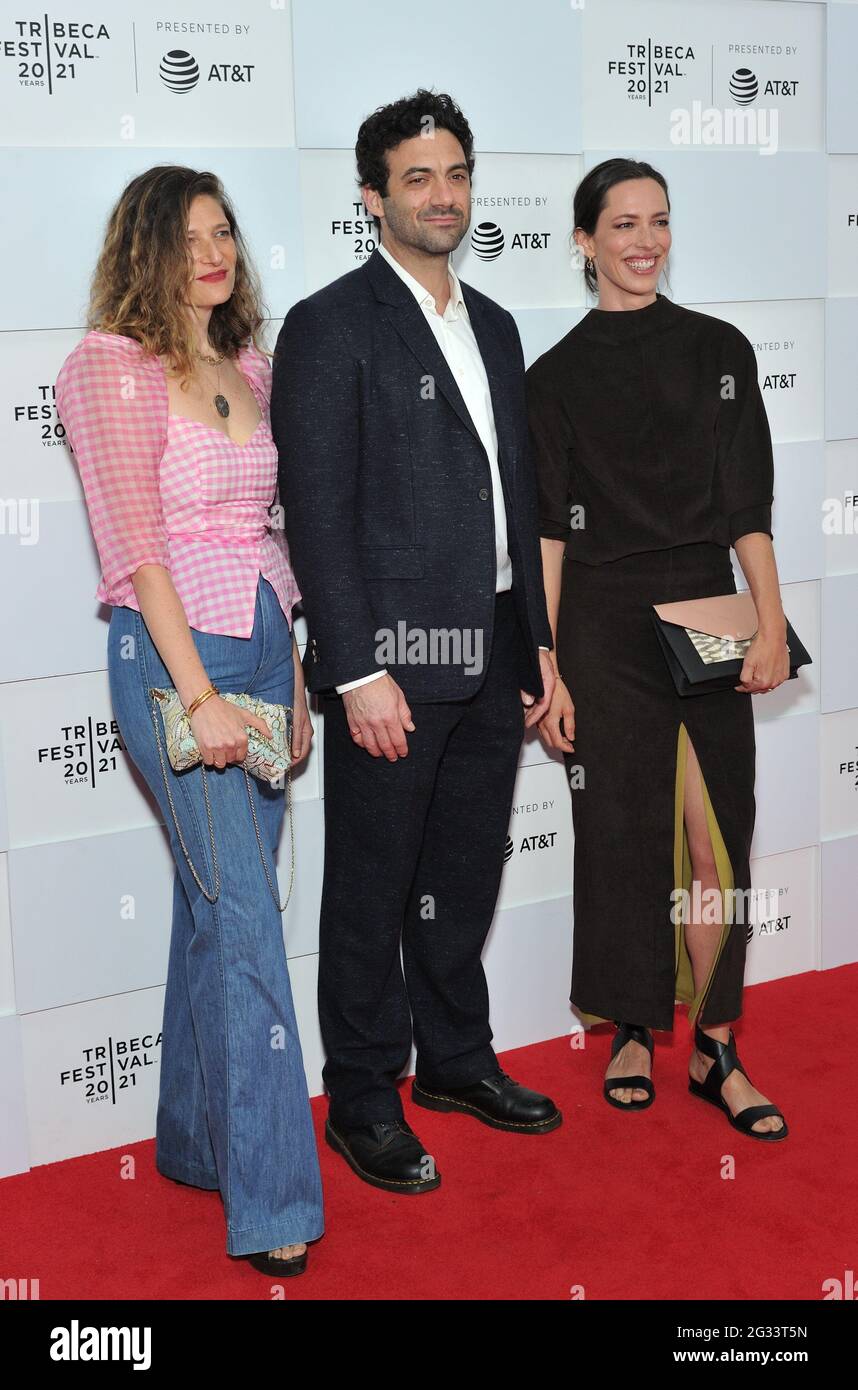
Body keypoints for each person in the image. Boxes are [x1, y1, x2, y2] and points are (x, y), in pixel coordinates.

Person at [271, 90, 562, 1195]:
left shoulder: (493, 322)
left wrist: (538, 643)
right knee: (373, 882)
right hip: (391, 651)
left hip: (493, 640)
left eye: (456, 175)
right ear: (372, 196)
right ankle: (359, 1098)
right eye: (418, 180)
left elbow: (518, 491)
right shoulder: (333, 323)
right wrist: (353, 665)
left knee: (460, 873)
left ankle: (452, 1060)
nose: (444, 197)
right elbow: (319, 508)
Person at [55, 165, 325, 1272]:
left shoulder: (249, 362)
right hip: (176, 657)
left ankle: (192, 1140)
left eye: (224, 234)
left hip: (262, 641)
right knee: (252, 925)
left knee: (216, 912)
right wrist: (201, 697)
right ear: (144, 253)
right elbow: (137, 549)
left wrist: (297, 672)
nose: (212, 254)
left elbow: (275, 532)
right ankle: (272, 1207)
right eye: (187, 238)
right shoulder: (109, 369)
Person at [526, 158, 789, 1140]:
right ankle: (632, 1023)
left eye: (660, 221)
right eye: (623, 223)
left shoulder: (720, 350)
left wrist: (764, 621)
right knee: (621, 833)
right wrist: (545, 662)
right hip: (599, 615)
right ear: (585, 240)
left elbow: (747, 508)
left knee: (715, 832)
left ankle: (718, 1044)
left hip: (705, 603)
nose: (645, 240)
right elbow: (549, 533)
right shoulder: (550, 378)